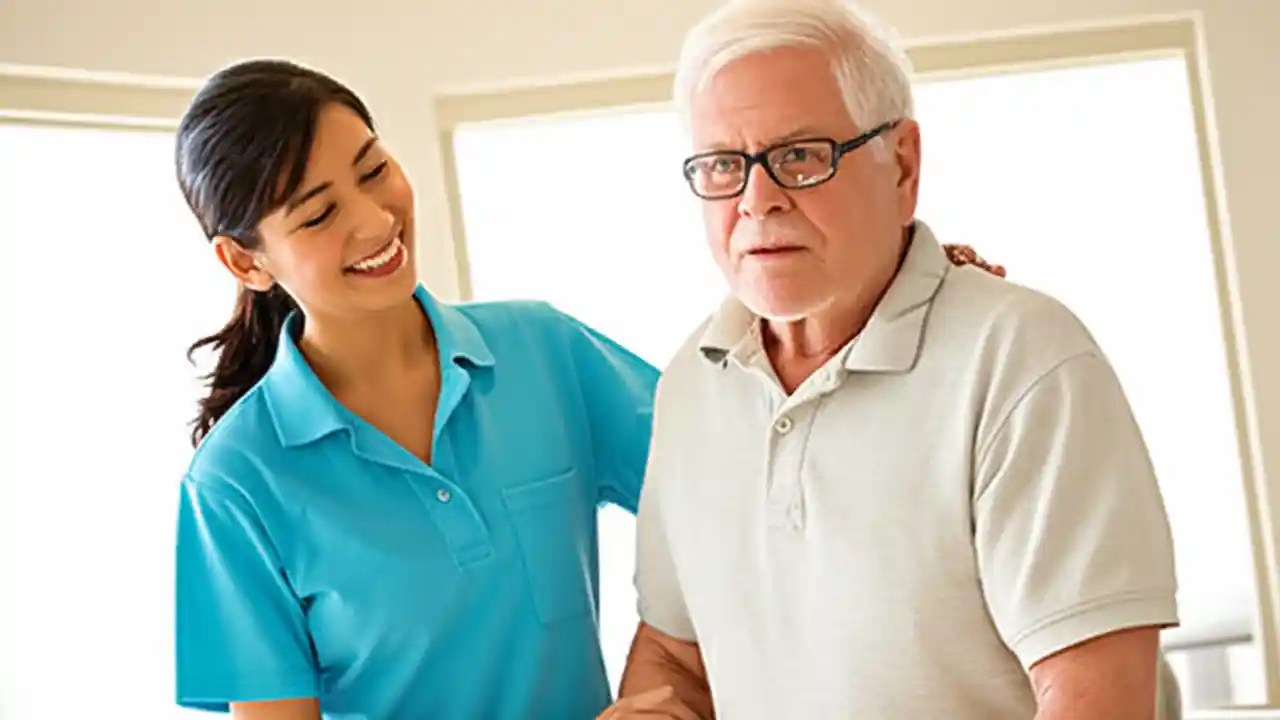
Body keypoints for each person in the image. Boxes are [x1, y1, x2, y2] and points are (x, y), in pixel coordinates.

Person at [606, 1, 1180, 719]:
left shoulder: (1020, 356)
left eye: (801, 156)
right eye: (724, 164)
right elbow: (675, 656)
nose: (758, 201)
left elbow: (1097, 700)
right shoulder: (694, 381)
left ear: (902, 164)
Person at [171, 59, 660, 719]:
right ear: (245, 260)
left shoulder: (547, 352)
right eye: (319, 215)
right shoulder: (235, 483)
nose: (376, 222)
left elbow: (733, 502)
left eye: (374, 171)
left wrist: (671, 682)